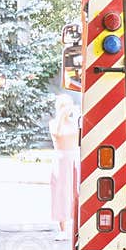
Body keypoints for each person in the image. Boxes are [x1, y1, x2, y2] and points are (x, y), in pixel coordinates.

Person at [49, 94, 79, 240]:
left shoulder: (74, 122)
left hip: (74, 158)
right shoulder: (54, 123)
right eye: (65, 105)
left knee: (76, 192)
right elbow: (57, 133)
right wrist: (61, 115)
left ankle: (77, 226)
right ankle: (62, 228)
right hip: (61, 160)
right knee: (61, 193)